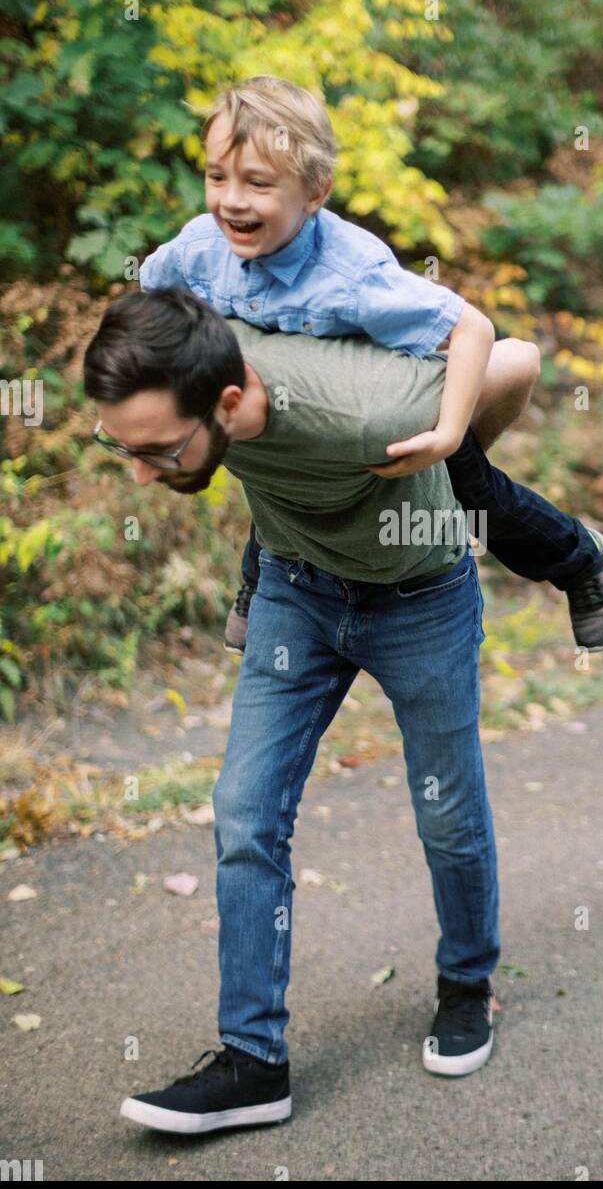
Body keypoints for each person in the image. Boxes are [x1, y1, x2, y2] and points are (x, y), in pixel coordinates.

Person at [83, 286, 504, 1135]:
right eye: (123, 448)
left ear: (229, 404)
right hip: (295, 590)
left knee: (447, 810)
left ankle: (468, 983)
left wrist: (463, 438)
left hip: (419, 596)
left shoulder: (359, 409)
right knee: (244, 811)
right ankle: (253, 1063)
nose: (140, 474)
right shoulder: (196, 356)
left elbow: (502, 353)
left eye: (159, 452)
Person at [138, 75, 603, 658]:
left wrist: (446, 436)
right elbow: (149, 297)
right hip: (294, 423)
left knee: (476, 498)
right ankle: (261, 584)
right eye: (218, 178)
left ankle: (580, 560)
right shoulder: (199, 249)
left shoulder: (352, 272)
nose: (232, 199)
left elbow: (472, 328)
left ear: (315, 191)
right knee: (275, 476)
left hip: (391, 416)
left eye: (258, 183)